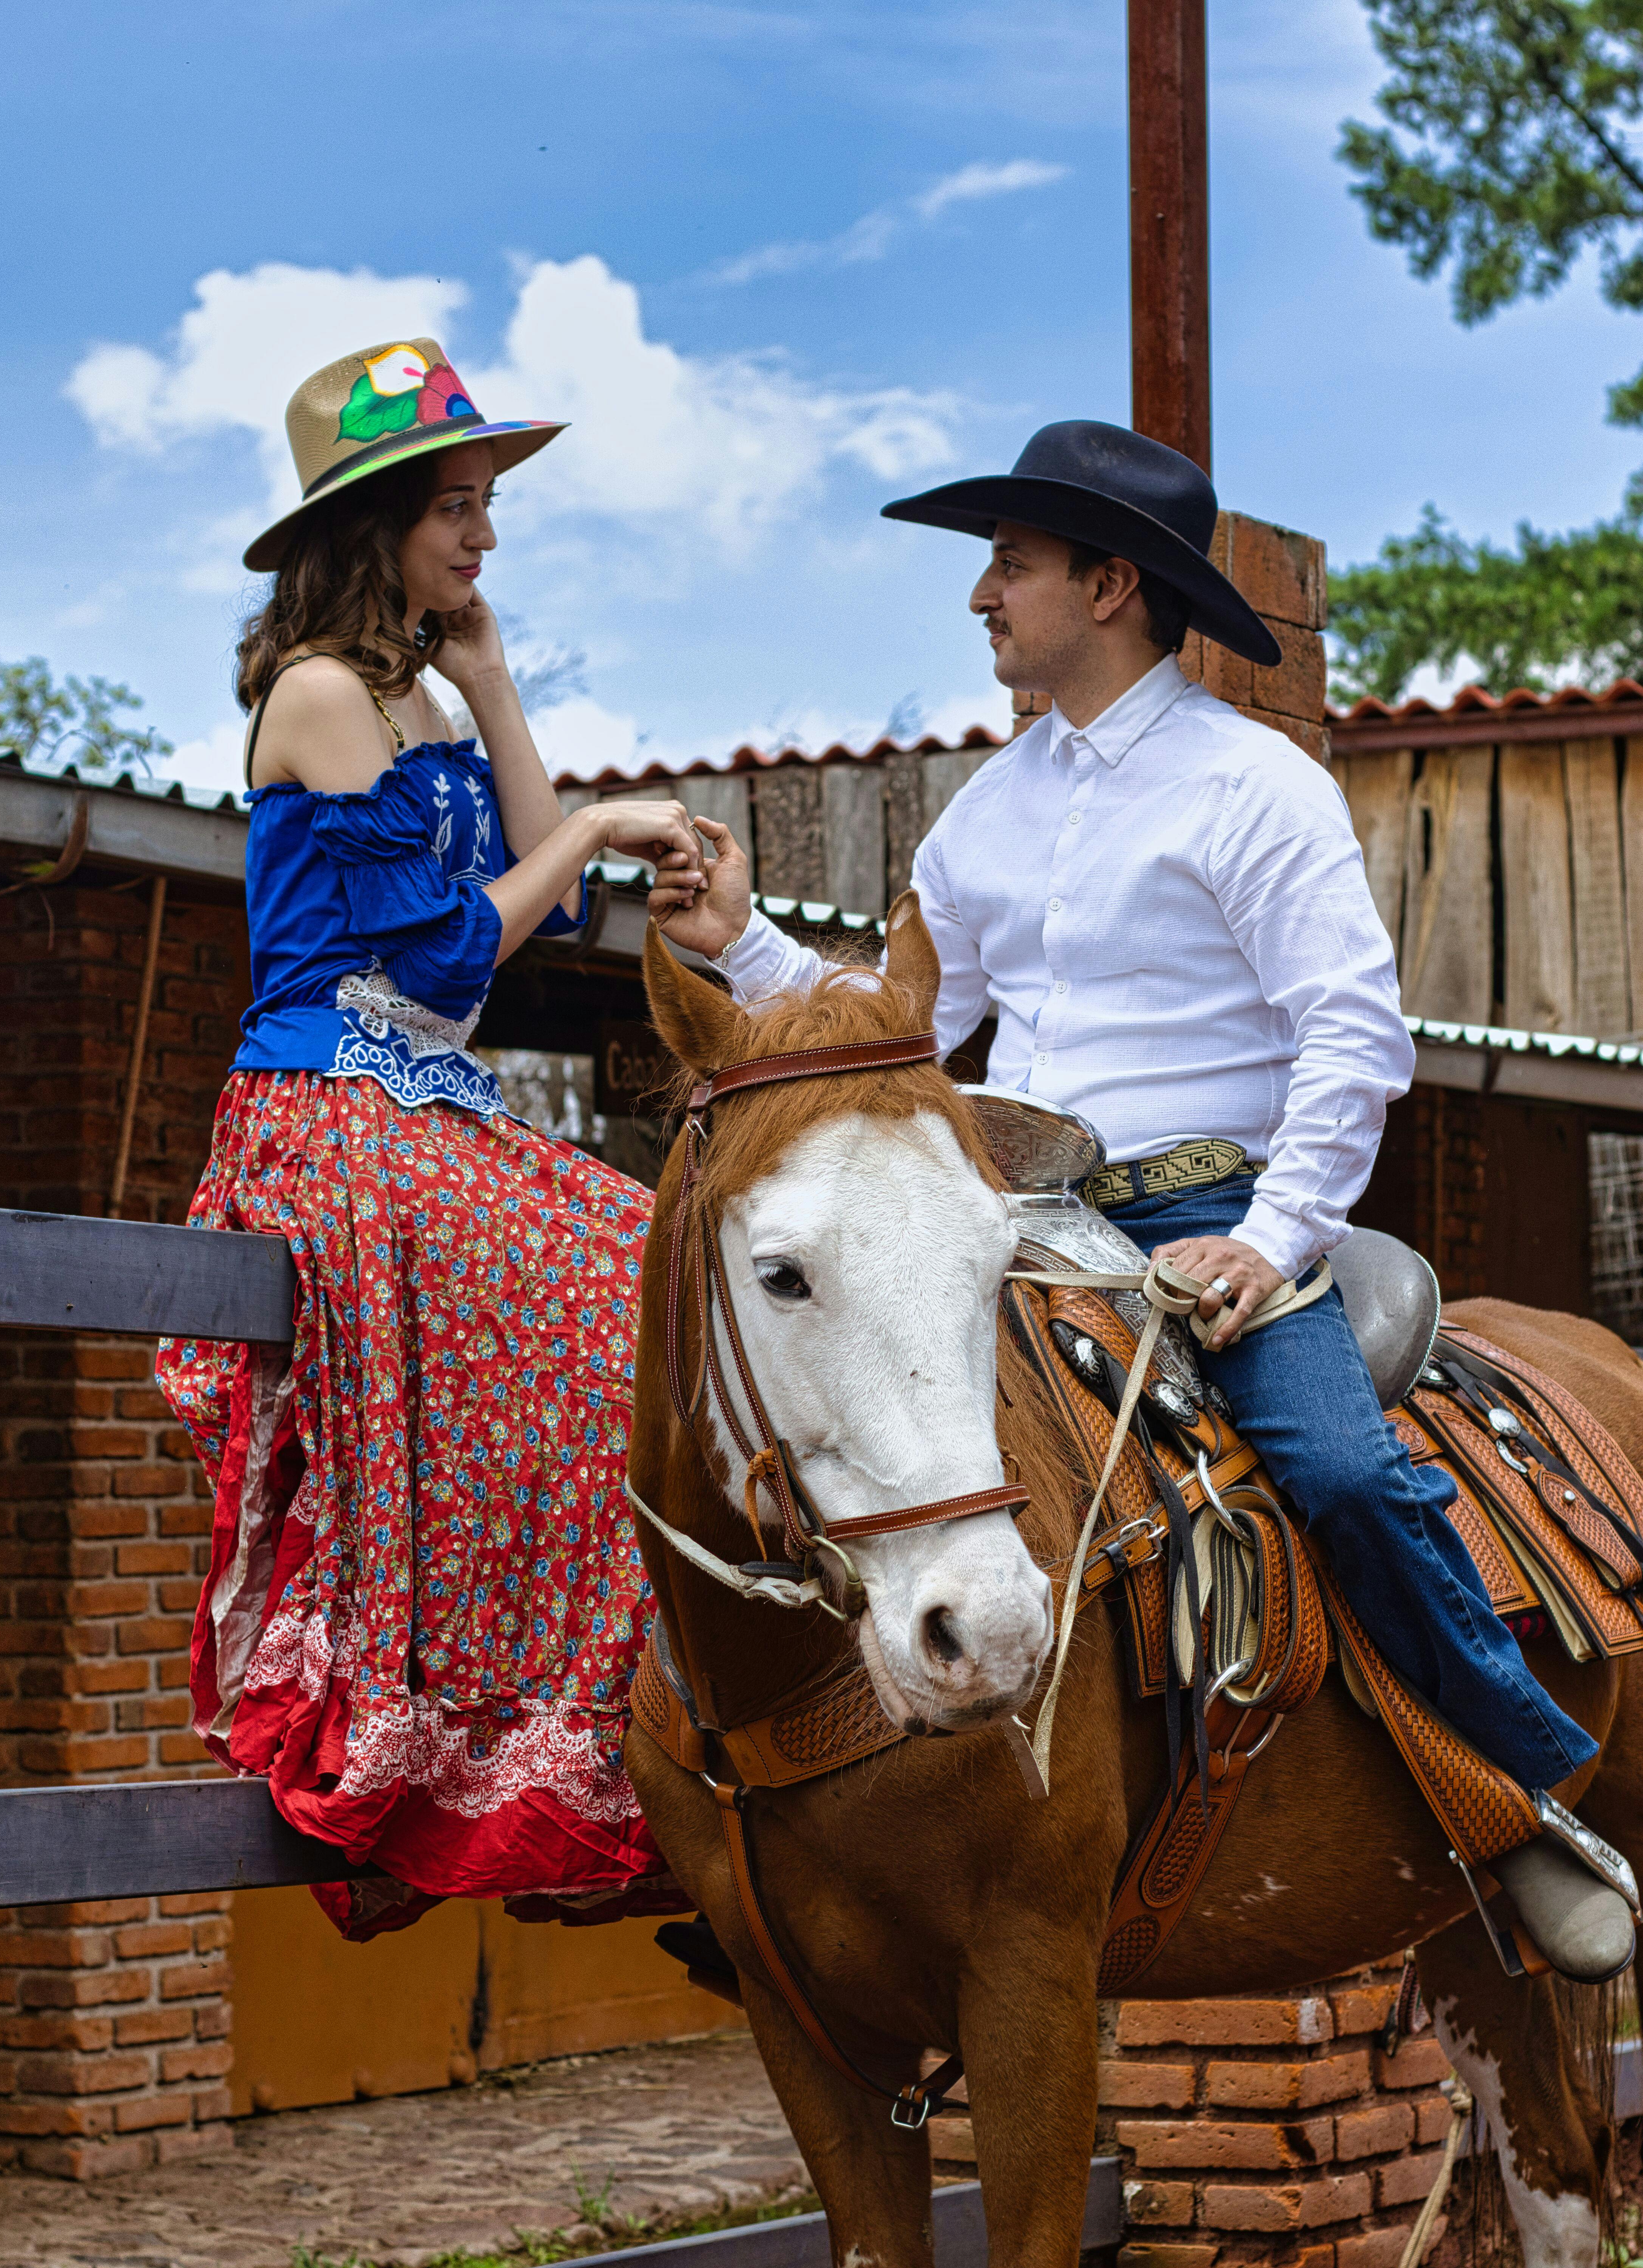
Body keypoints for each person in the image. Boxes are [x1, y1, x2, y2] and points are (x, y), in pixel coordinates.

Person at [649, 417, 1634, 1981]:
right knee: (838, 1436)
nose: (982, 595)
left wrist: (1269, 1238)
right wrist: (742, 944)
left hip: (1214, 1220)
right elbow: (905, 1035)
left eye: (1011, 565)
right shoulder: (987, 809)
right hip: (1013, 1215)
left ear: (1108, 586)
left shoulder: (1252, 787)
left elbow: (1349, 1034)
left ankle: (1524, 1797)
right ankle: (784, 1839)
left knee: (1343, 1472)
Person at [159, 336, 696, 1938]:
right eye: (452, 508)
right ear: (372, 521)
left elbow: (552, 882)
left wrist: (495, 680)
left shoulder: (412, 694)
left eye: (483, 505)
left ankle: (572, 1736)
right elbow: (457, 952)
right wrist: (597, 825)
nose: (480, 536)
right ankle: (461, 1749)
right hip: (327, 1108)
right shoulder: (320, 694)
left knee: (656, 1263)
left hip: (430, 1111)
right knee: (606, 1280)